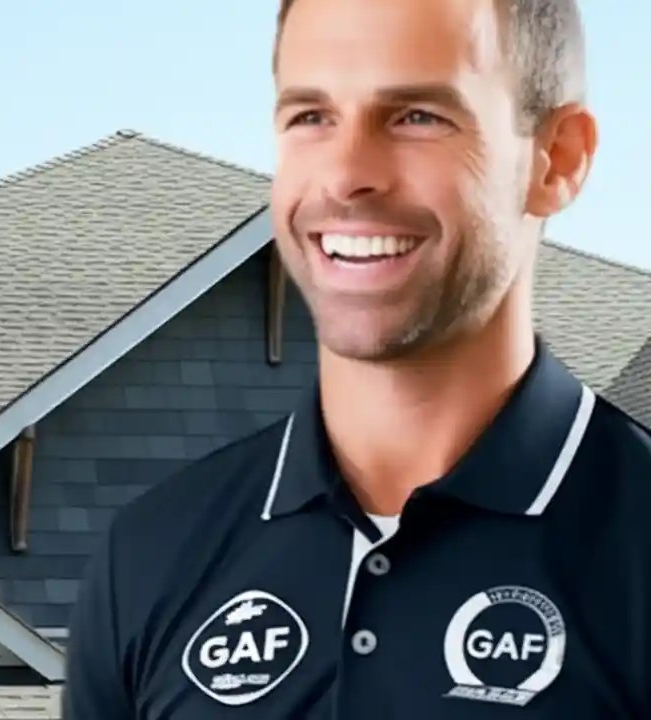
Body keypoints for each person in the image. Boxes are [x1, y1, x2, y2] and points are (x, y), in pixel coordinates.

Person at [64, 0, 651, 717]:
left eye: (417, 116)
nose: (345, 176)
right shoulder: (149, 553)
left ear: (556, 159)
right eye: (311, 116)